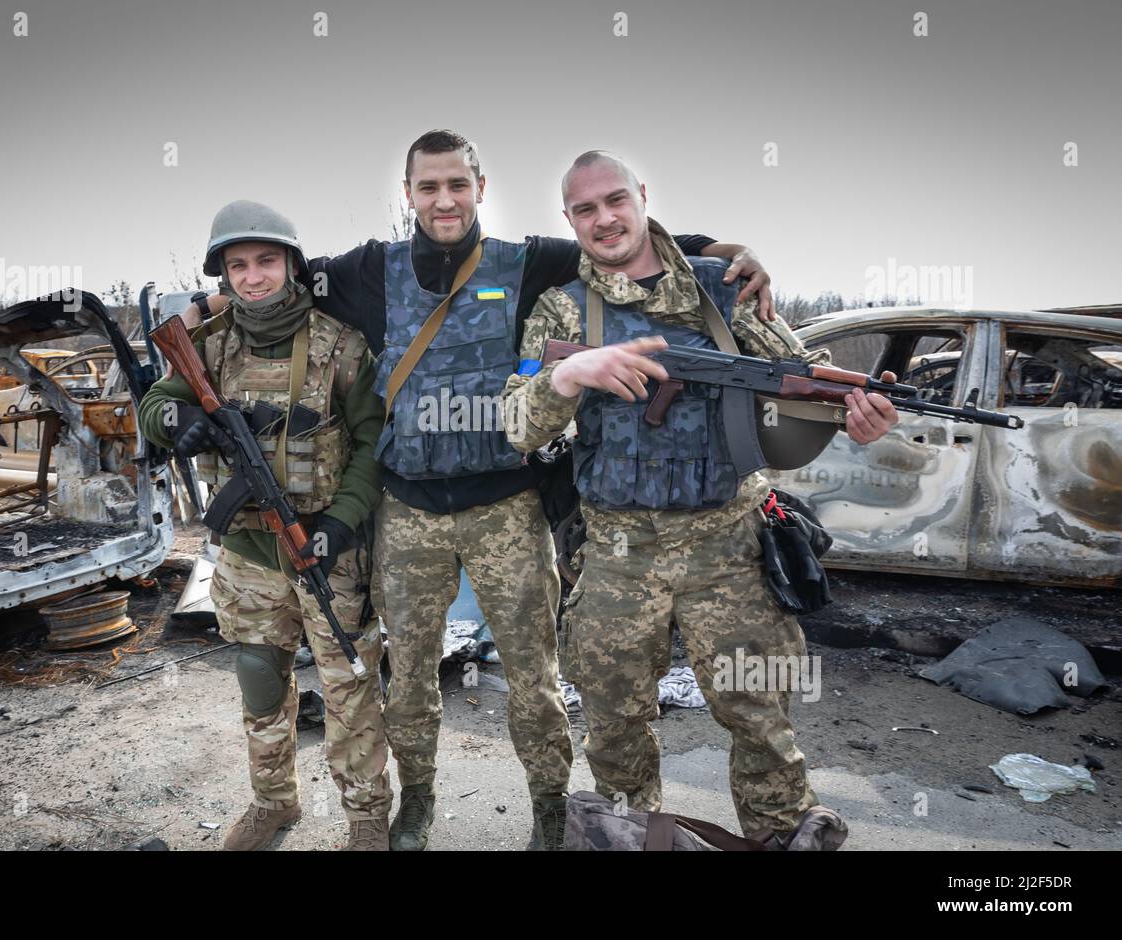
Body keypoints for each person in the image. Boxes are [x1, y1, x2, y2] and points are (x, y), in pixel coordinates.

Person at [183, 131, 776, 851]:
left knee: (536, 680)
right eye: (428, 187)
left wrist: (727, 250)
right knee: (409, 683)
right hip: (408, 510)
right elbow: (274, 284)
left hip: (507, 509)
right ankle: (419, 803)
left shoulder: (528, 264)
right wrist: (202, 308)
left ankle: (550, 809)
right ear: (408, 194)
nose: (443, 200)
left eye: (456, 185)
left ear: (480, 187)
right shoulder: (369, 269)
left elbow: (634, 246)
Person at [501, 151, 900, 848]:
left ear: (643, 198)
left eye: (615, 200)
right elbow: (517, 428)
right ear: (569, 220)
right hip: (619, 552)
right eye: (585, 210)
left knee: (760, 715)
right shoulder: (562, 308)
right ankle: (633, 838)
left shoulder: (726, 287)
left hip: (730, 543)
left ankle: (781, 836)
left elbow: (795, 385)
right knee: (616, 721)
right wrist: (570, 377)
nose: (604, 219)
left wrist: (854, 417)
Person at [139, 201, 391, 850]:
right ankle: (274, 802)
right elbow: (157, 404)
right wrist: (175, 423)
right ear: (223, 273)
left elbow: (371, 444)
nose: (254, 277)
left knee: (349, 688)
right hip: (249, 552)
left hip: (327, 551)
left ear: (292, 265)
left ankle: (366, 818)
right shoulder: (209, 347)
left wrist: (343, 519)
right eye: (239, 265)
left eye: (267, 262)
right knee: (257, 670)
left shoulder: (340, 344)